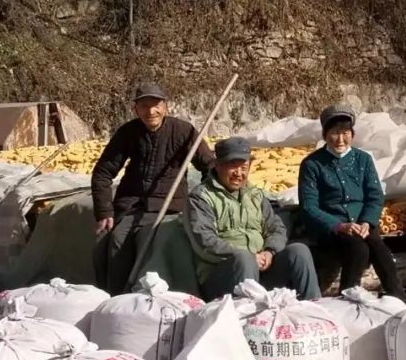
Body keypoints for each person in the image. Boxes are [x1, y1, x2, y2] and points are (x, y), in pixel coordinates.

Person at [91, 82, 215, 294]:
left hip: (169, 207)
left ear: (165, 107)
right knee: (114, 241)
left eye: (156, 105)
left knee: (149, 243)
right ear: (135, 109)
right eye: (144, 106)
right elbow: (103, 172)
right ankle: (116, 297)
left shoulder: (184, 131)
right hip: (131, 205)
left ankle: (154, 294)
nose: (151, 111)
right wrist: (104, 211)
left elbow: (210, 166)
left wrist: (204, 203)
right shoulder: (127, 133)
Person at [186, 137, 320, 301]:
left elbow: (276, 228)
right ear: (218, 165)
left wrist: (270, 252)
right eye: (233, 166)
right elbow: (205, 241)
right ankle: (248, 313)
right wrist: (248, 256)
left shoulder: (255, 195)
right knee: (244, 259)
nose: (239, 173)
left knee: (299, 251)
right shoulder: (201, 197)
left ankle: (312, 307)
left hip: (260, 270)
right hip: (222, 276)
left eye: (244, 168)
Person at [298, 105, 406, 302]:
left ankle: (398, 297)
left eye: (345, 133)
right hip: (332, 229)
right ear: (325, 135)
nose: (340, 139)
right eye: (334, 133)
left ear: (352, 134)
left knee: (378, 248)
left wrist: (367, 222)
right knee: (359, 249)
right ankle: (348, 297)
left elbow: (375, 195)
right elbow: (309, 207)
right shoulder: (312, 164)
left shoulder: (363, 159)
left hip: (361, 224)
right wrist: (339, 225)